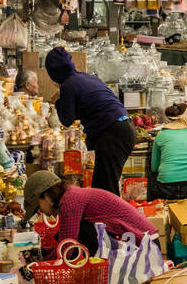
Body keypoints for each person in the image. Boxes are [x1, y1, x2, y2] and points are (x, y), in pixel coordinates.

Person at [45, 47, 134, 195]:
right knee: (104, 183)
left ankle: (110, 217)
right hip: (124, 127)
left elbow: (66, 120)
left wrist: (58, 101)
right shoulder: (87, 77)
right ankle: (106, 216)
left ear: (53, 73)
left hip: (112, 133)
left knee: (105, 187)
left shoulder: (68, 85)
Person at [23, 170, 154, 255]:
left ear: (46, 196)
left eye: (38, 207)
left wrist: (35, 267)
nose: (41, 212)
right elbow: (68, 243)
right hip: (139, 241)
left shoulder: (70, 202)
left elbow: (67, 249)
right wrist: (44, 253)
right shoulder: (71, 196)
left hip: (142, 244)